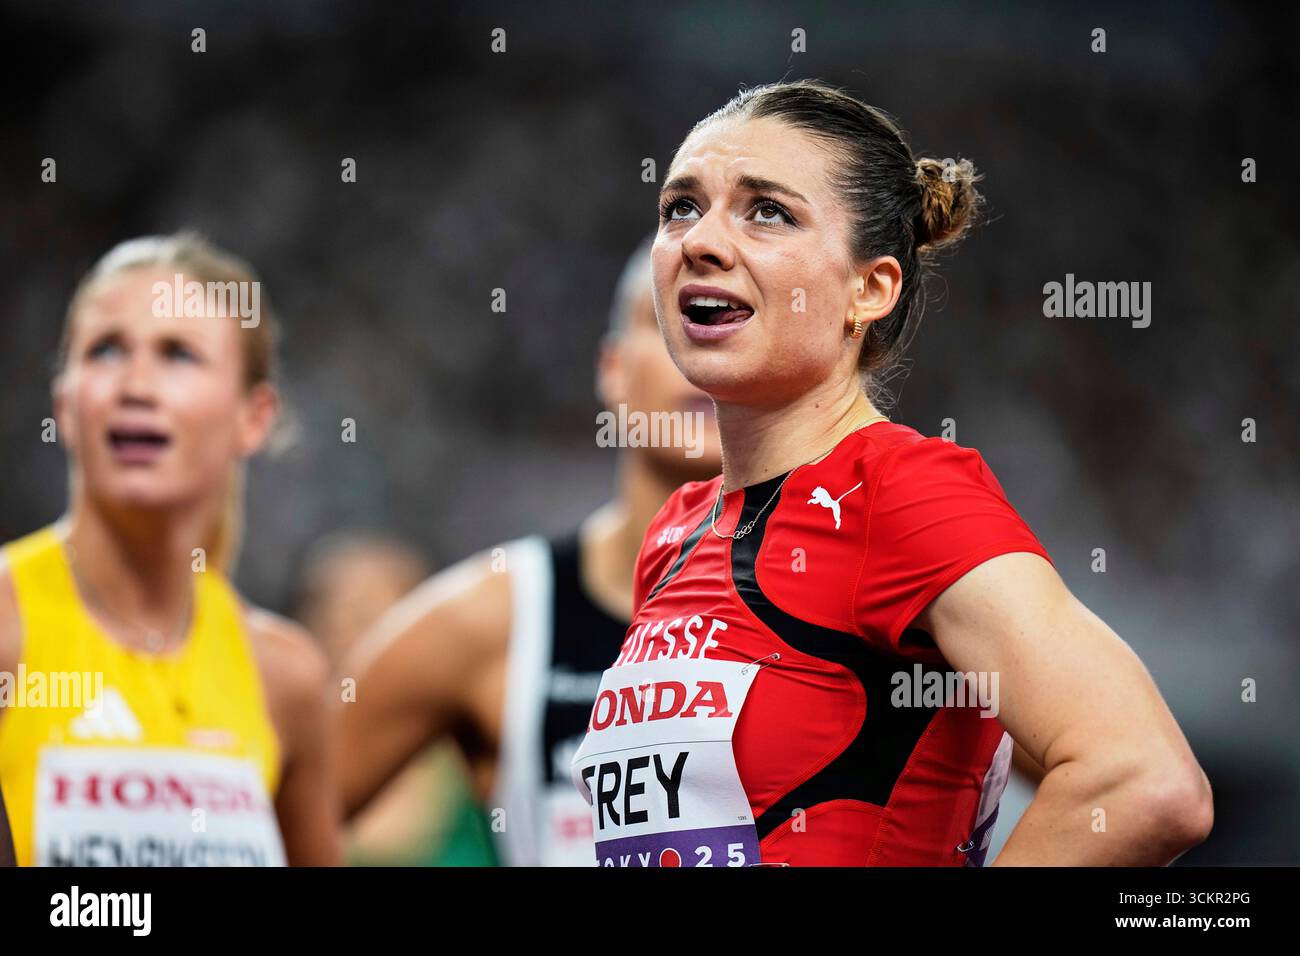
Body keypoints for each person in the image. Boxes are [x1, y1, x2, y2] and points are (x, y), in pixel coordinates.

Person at [570, 79, 1214, 867]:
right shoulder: (676, 533)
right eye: (681, 206)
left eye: (767, 210)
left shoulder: (900, 491)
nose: (701, 240)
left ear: (869, 289)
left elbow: (1143, 780)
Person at [337, 237, 722, 865]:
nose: (701, 349)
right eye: (673, 318)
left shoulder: (868, 608)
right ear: (612, 368)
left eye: (725, 319)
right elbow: (266, 824)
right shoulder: (491, 620)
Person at [0, 233, 339, 866]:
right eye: (105, 351)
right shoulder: (7, 630)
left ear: (254, 417)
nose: (135, 384)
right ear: (64, 403)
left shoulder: (284, 677)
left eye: (177, 355)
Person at [293, 530, 482, 866]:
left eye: (365, 618)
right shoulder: (295, 767)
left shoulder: (477, 760)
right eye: (331, 618)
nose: (345, 636)